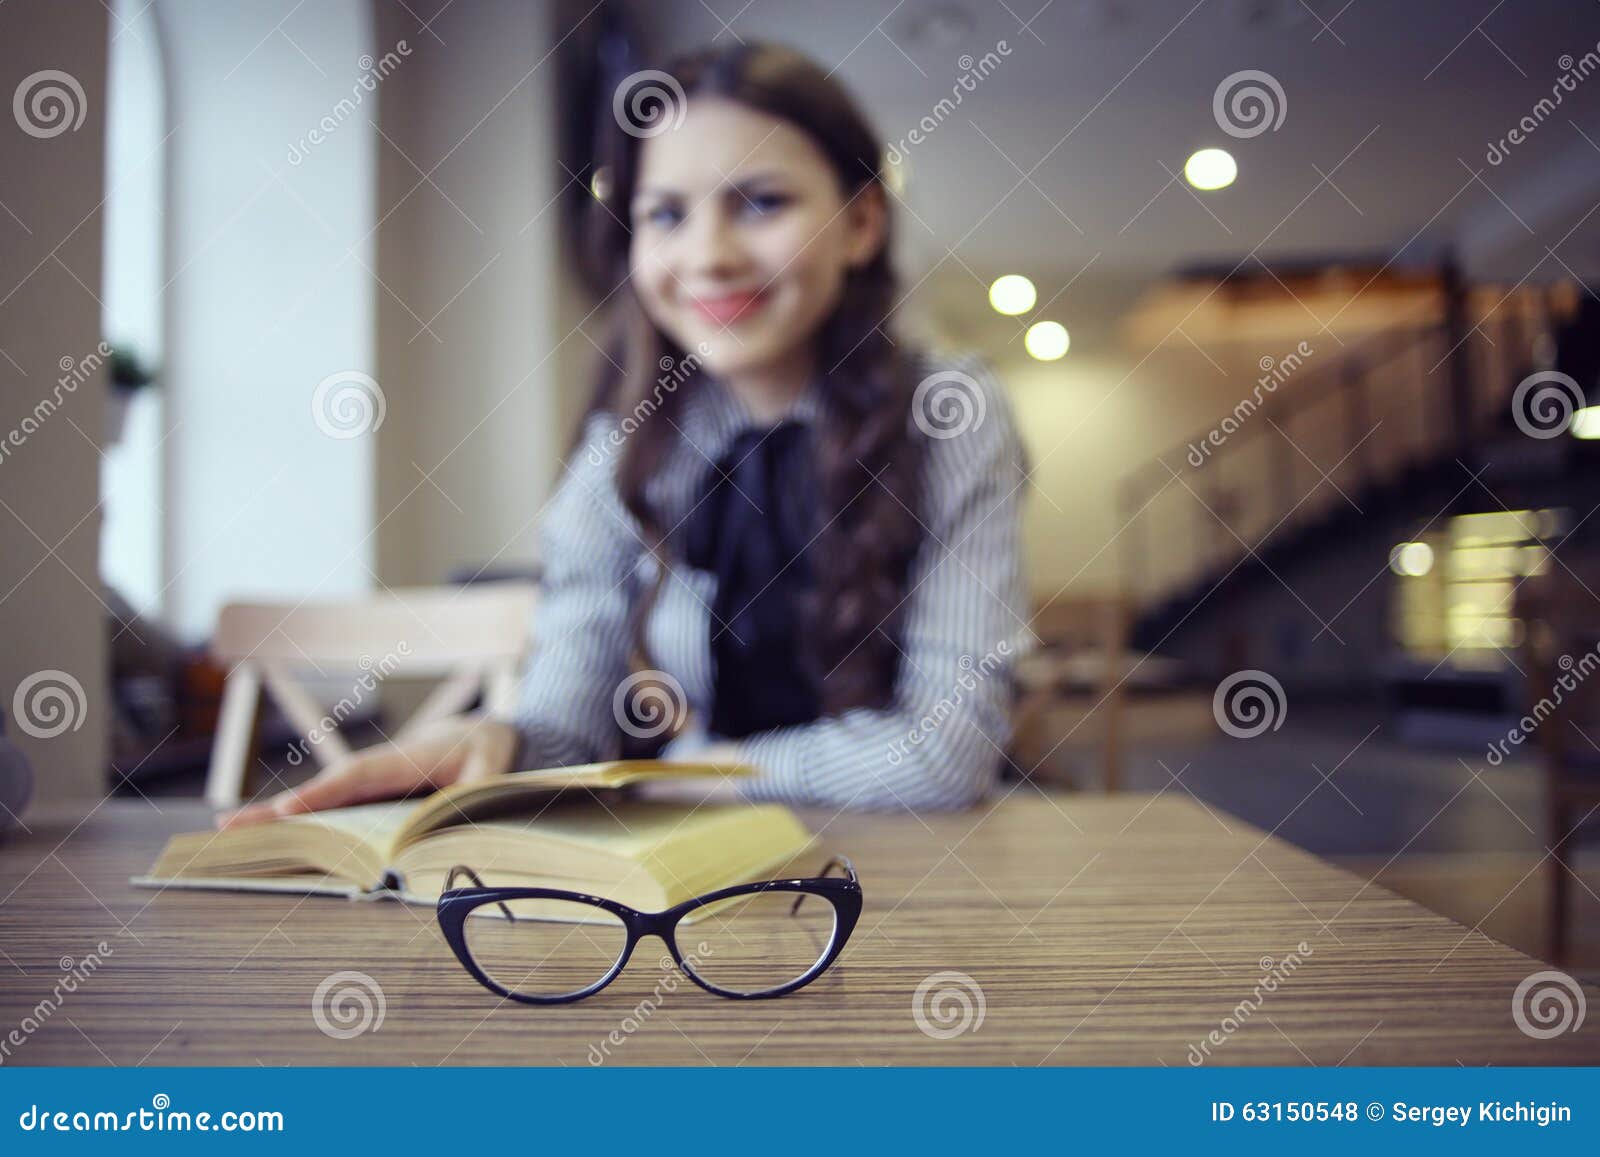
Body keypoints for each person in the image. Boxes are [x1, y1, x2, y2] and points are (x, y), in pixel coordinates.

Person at [220, 41, 1029, 829]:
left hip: (912, 875)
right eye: (666, 213)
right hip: (692, 866)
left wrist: (689, 774)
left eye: (761, 202)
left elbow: (945, 754)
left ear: (860, 224)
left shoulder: (951, 414)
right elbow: (566, 723)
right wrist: (502, 739)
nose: (706, 255)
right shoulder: (625, 444)